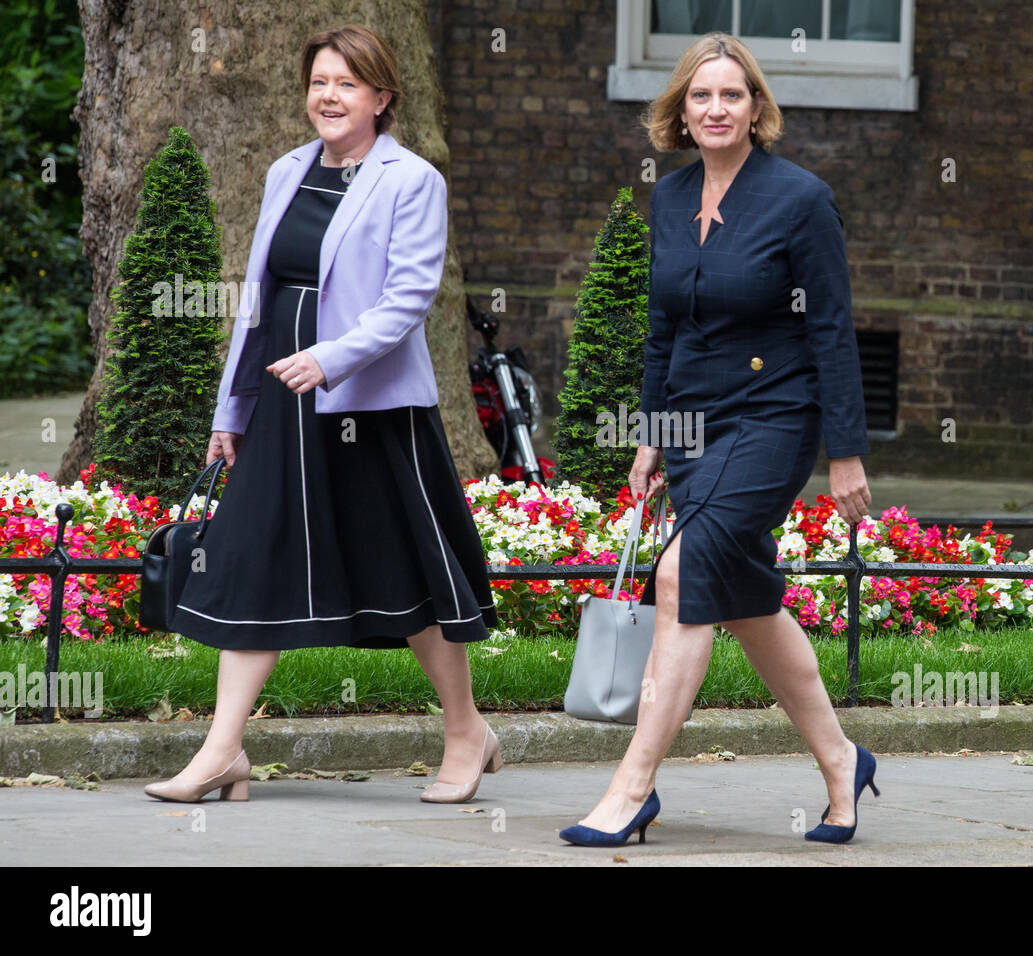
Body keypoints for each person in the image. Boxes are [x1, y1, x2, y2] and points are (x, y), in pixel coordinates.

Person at [145, 24, 502, 805]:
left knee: (406, 572)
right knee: (253, 555)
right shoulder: (286, 172)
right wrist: (231, 409)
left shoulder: (412, 180)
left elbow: (409, 297)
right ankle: (222, 751)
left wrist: (332, 358)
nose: (329, 97)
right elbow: (259, 301)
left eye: (346, 83)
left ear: (381, 97)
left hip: (369, 407)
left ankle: (466, 731)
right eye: (318, 83)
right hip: (282, 396)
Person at [559, 32, 879, 847]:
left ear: (757, 108)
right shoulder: (667, 198)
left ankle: (633, 787)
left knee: (683, 571)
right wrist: (652, 433)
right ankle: (842, 761)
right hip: (694, 426)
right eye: (701, 96)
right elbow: (665, 328)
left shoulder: (801, 199)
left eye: (731, 95)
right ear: (680, 110)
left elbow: (836, 331)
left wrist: (846, 451)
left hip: (774, 417)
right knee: (743, 599)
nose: (715, 109)